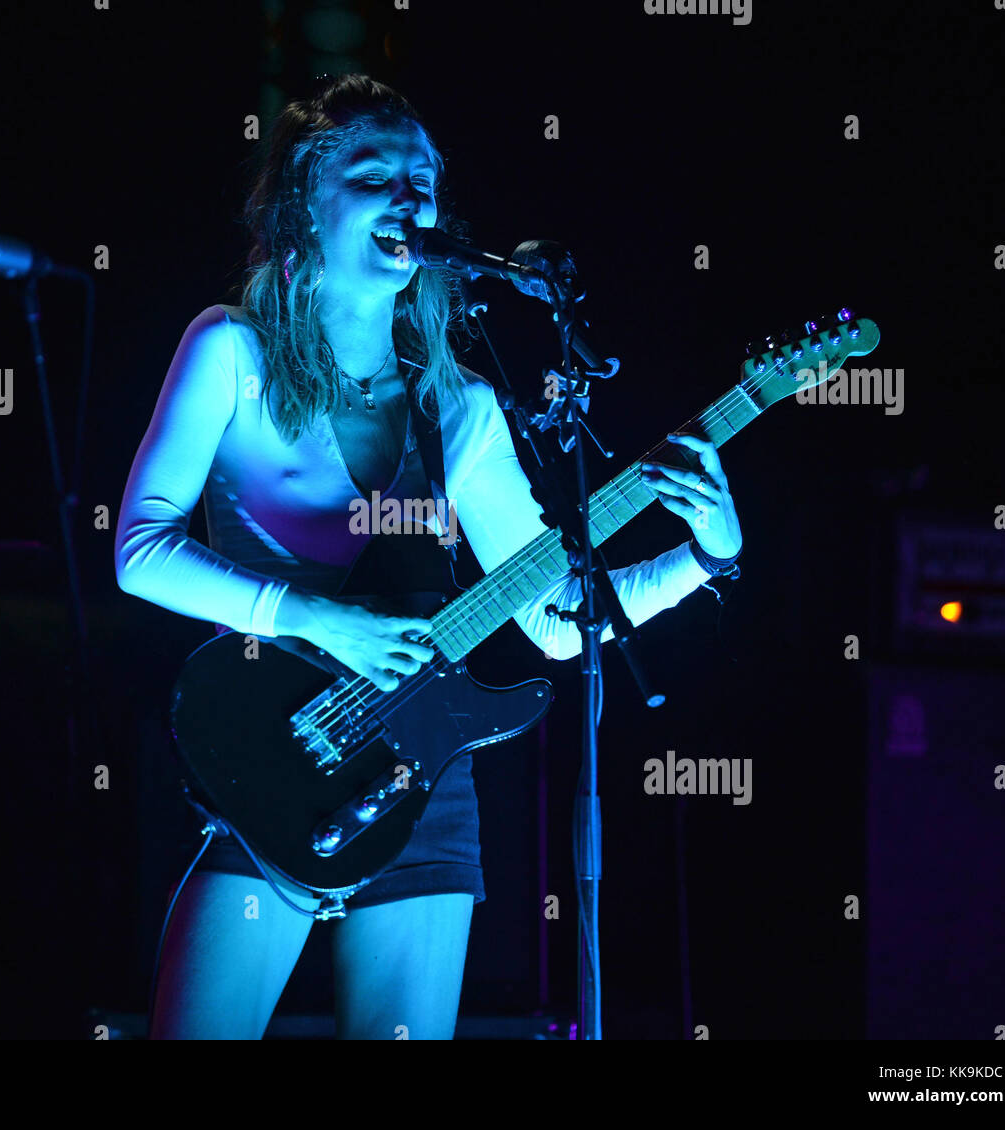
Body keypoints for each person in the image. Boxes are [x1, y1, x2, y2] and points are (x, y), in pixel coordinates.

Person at [114, 74, 743, 1040]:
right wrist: (319, 620)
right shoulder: (228, 353)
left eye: (425, 179)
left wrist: (703, 558)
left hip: (419, 782)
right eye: (377, 176)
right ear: (302, 205)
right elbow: (141, 553)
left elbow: (551, 616)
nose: (412, 198)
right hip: (269, 759)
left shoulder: (462, 407)